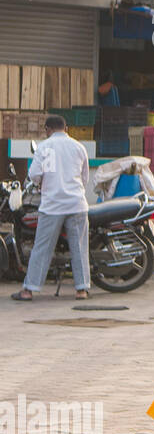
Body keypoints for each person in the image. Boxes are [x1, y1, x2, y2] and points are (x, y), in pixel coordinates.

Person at [12, 115, 91, 302]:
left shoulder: (44, 147)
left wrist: (42, 183)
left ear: (47, 129)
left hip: (52, 206)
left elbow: (34, 175)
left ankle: (29, 290)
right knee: (79, 248)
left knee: (42, 248)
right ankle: (81, 290)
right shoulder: (79, 147)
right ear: (66, 128)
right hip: (77, 204)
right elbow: (85, 177)